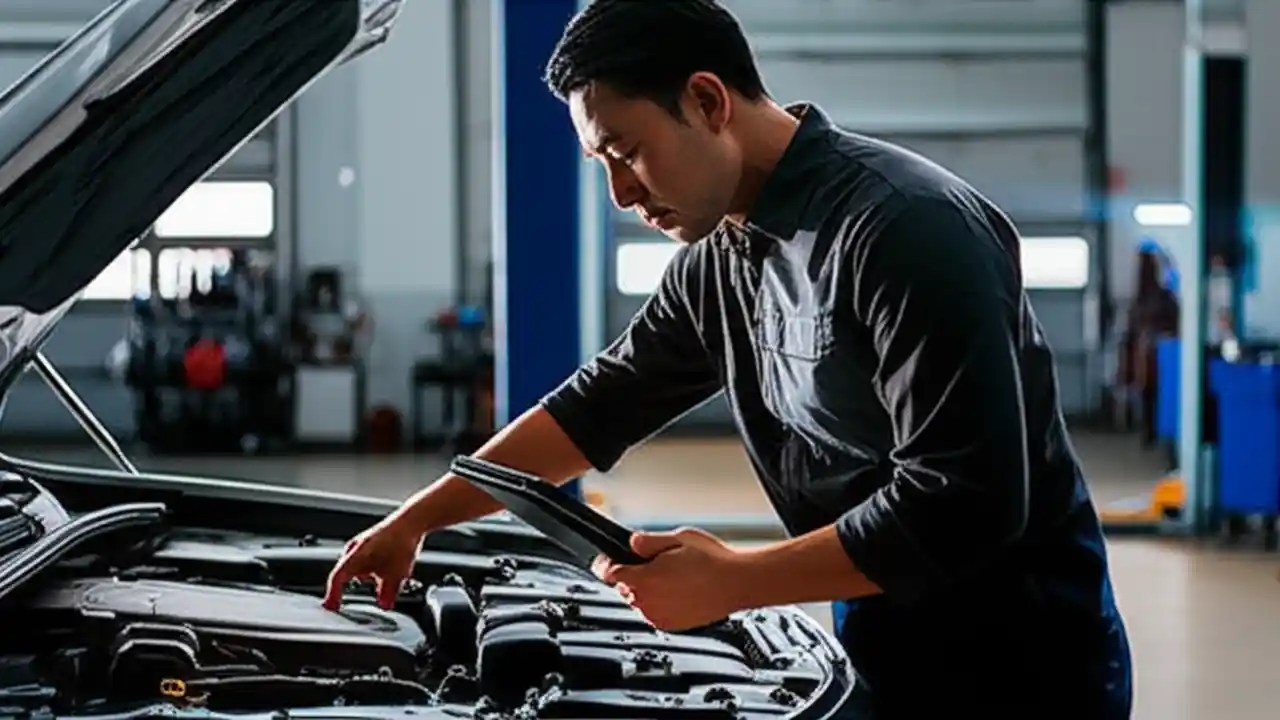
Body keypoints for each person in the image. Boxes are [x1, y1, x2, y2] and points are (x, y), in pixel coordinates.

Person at [324, 1, 1133, 716]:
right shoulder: (723, 259)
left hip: (1023, 665)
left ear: (707, 101)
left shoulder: (907, 230)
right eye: (600, 165)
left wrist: (734, 580)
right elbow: (600, 403)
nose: (621, 195)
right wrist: (416, 519)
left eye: (627, 152)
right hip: (881, 640)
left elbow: (968, 504)